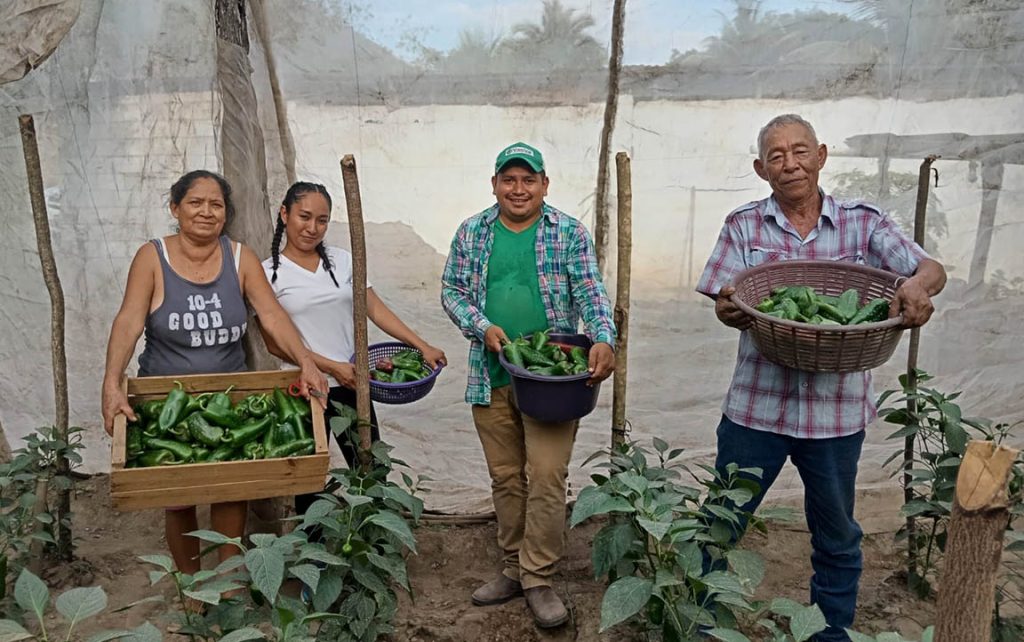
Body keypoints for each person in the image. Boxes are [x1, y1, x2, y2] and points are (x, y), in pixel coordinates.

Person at [697, 114, 946, 642]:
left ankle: (831, 633)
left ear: (822, 155)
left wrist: (919, 287)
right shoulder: (743, 224)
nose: (791, 164)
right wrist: (730, 308)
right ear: (761, 168)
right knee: (721, 524)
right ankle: (702, 625)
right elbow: (724, 296)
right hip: (756, 410)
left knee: (836, 533)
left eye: (800, 151)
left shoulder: (864, 222)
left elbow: (929, 268)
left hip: (836, 414)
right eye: (777, 156)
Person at [101, 170, 328, 598]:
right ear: (175, 209)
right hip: (166, 400)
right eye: (195, 203)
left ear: (226, 213)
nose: (206, 211)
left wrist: (306, 363)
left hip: (231, 398)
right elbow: (129, 320)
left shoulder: (240, 258)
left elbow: (273, 316)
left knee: (230, 491)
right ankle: (192, 592)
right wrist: (112, 383)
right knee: (178, 496)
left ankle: (228, 588)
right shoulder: (153, 258)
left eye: (216, 204)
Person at [441, 142, 616, 628]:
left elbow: (591, 291)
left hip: (552, 379)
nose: (518, 189)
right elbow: (451, 289)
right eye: (509, 179)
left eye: (528, 180)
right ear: (494, 183)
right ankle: (513, 567)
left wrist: (603, 337)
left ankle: (538, 577)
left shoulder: (567, 233)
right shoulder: (473, 232)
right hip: (492, 374)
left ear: (544, 185)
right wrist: (482, 326)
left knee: (545, 474)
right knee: (505, 475)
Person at [260, 181, 446, 509]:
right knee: (309, 479)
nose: (312, 227)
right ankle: (313, 554)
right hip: (304, 389)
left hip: (351, 384)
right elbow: (275, 346)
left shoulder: (343, 260)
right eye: (304, 217)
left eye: (322, 220)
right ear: (284, 214)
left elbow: (374, 309)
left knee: (369, 468)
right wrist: (331, 367)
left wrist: (422, 345)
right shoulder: (268, 273)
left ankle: (374, 546)